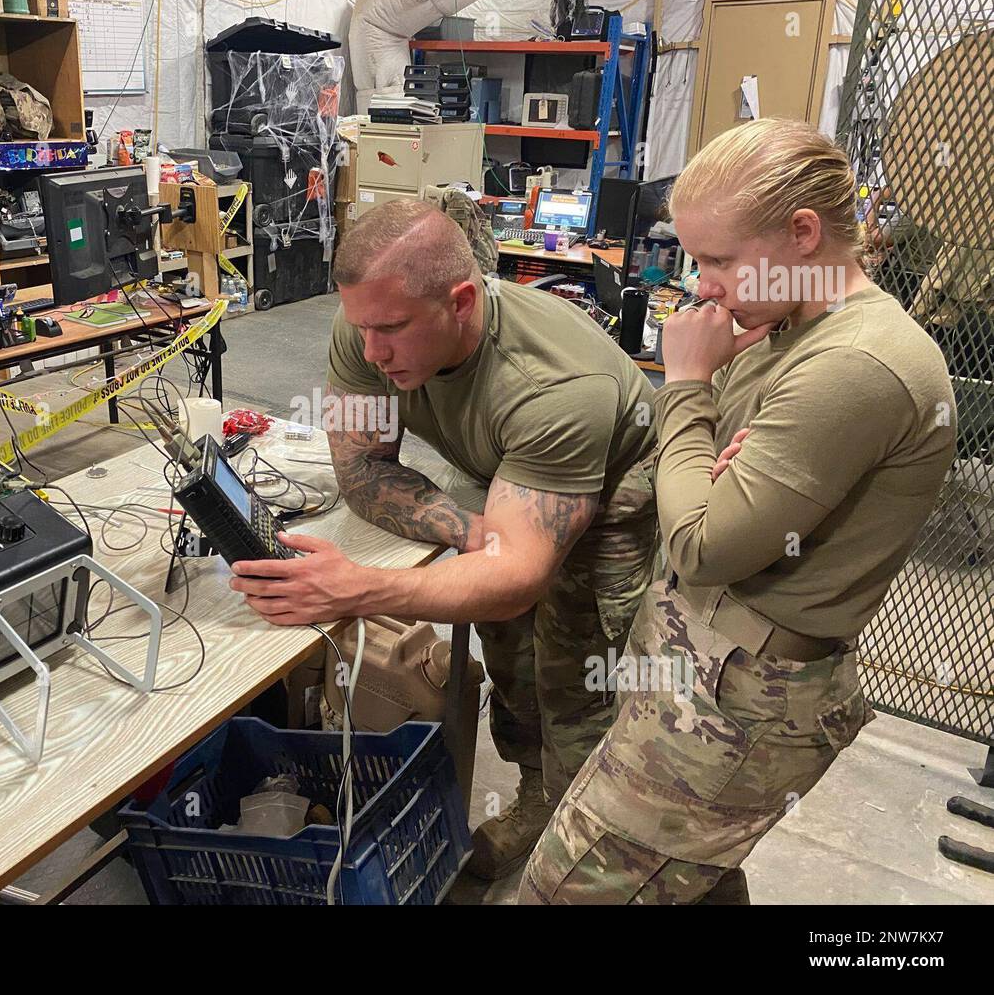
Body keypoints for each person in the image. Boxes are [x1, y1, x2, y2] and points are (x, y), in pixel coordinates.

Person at [521, 118, 956, 904]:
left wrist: (684, 383)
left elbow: (699, 541)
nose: (704, 284)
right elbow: (698, 484)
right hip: (701, 656)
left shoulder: (856, 362)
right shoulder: (786, 326)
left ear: (802, 233)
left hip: (739, 695)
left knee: (564, 890)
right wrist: (709, 459)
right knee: (686, 879)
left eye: (720, 259)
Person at [228, 199, 659, 879]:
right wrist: (469, 528)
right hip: (506, 471)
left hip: (612, 488)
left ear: (461, 301)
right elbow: (362, 469)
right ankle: (537, 794)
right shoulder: (369, 326)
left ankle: (584, 841)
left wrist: (364, 587)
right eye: (361, 326)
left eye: (392, 329)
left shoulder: (555, 386)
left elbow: (521, 571)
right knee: (510, 645)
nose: (371, 351)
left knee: (582, 674)